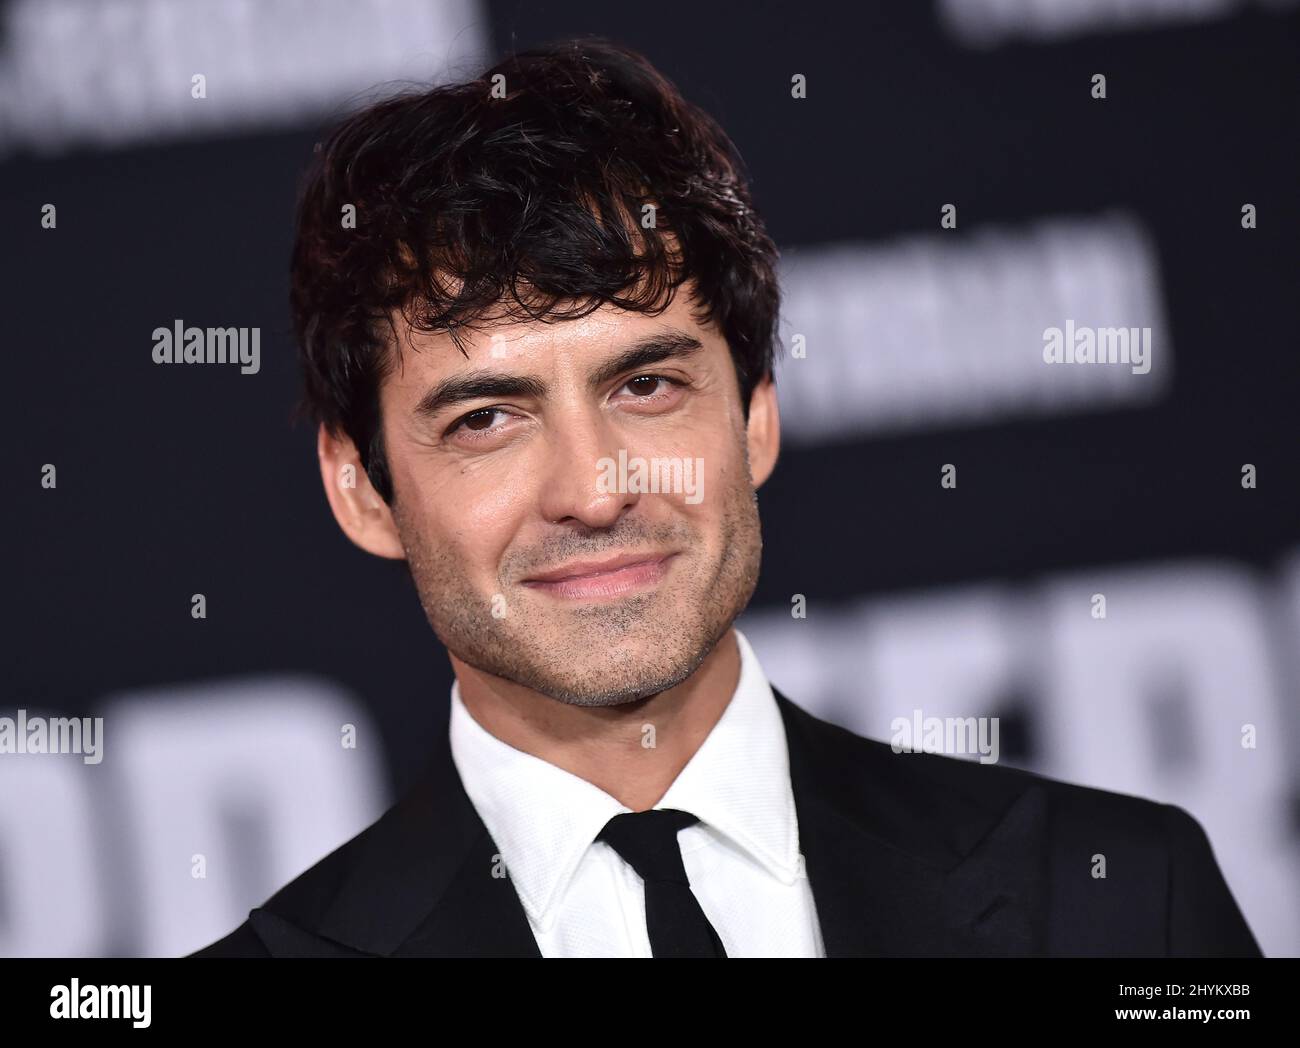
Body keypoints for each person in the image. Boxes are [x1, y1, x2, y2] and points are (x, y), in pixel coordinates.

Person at [192, 38, 1260, 958]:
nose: (594, 488)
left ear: (753, 416)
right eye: (487, 419)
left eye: (644, 386)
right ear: (361, 487)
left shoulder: (1115, 900)